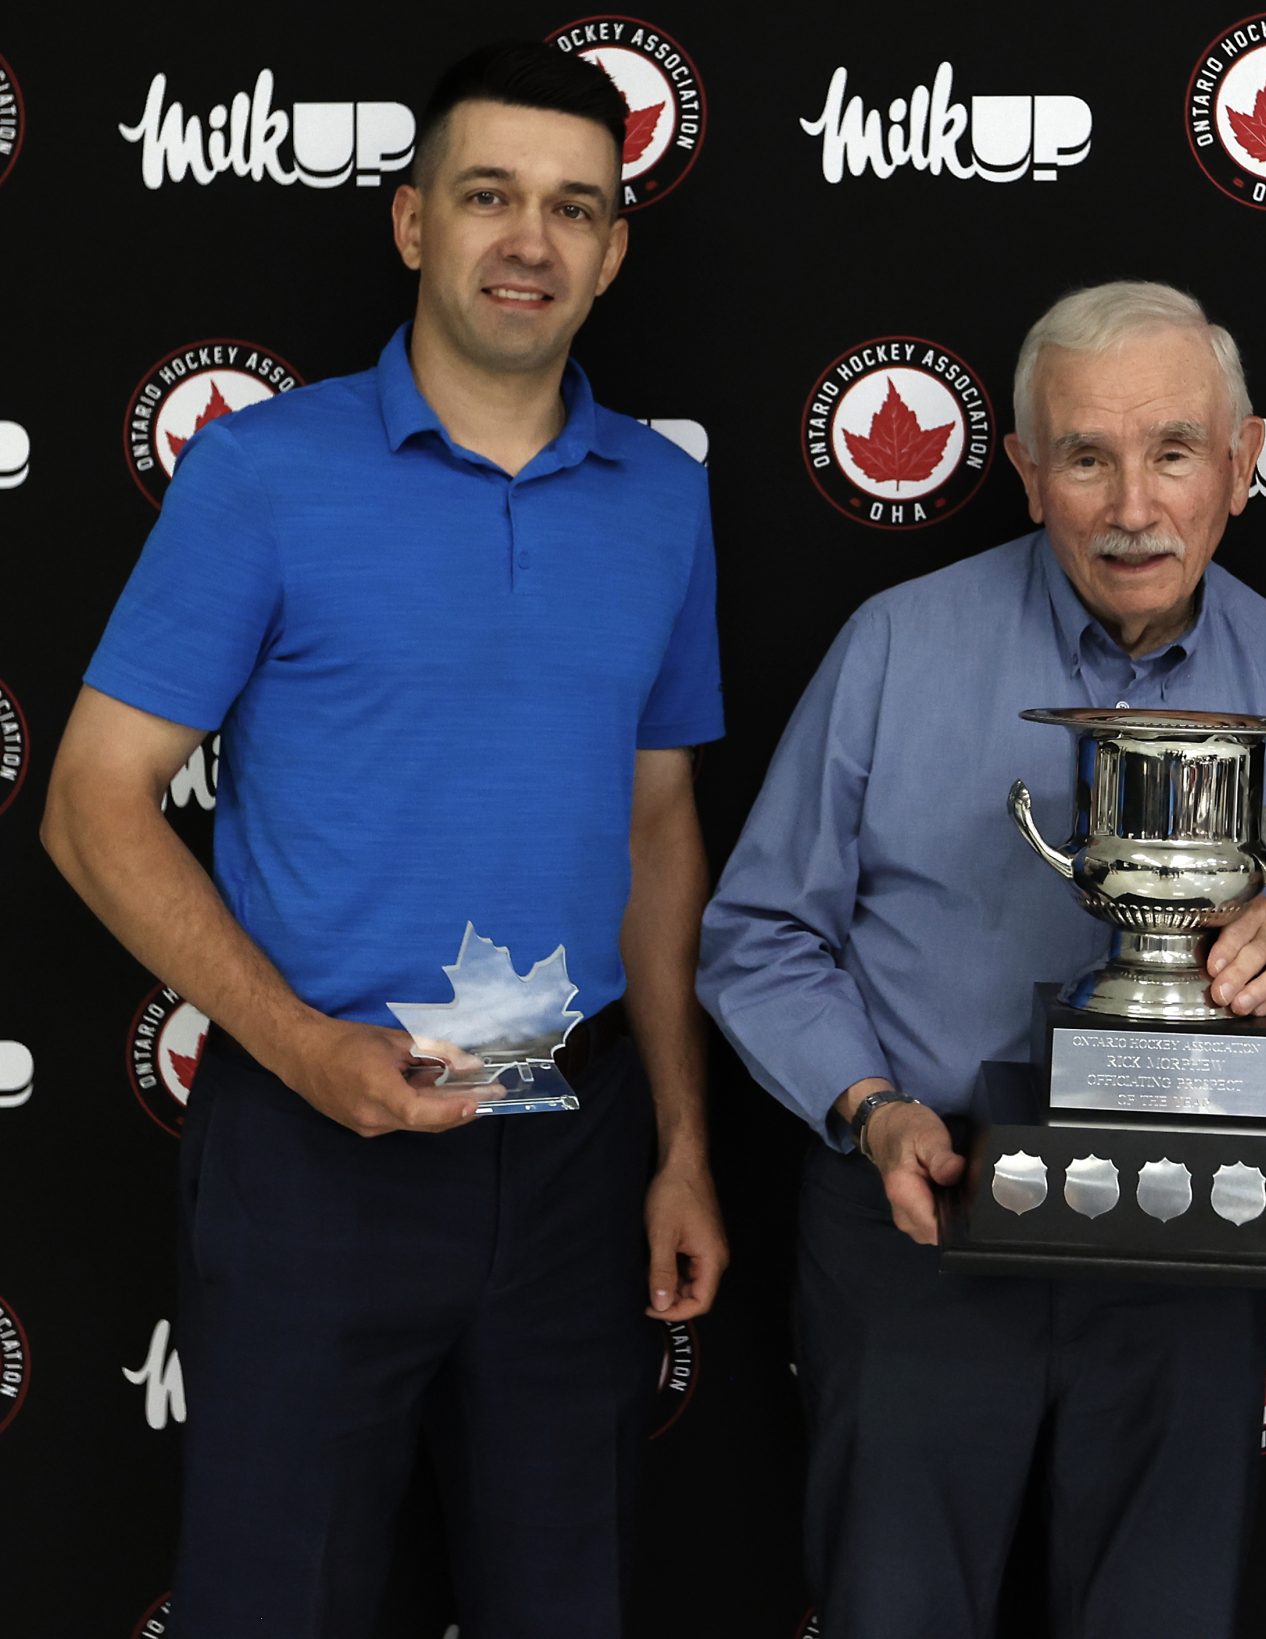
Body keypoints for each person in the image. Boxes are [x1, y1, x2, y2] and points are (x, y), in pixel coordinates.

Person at [40, 42, 727, 1638]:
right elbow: (90, 804)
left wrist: (682, 1142)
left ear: (616, 249)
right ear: (414, 222)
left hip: (571, 1147)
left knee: (571, 1602)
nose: (530, 241)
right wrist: (295, 1048)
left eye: (575, 208)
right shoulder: (265, 475)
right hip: (315, 1148)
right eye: (490, 195)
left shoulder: (660, 498)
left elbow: (659, 817)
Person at [697, 280, 1266, 1638]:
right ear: (1029, 474)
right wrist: (872, 1113)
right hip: (923, 1211)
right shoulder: (897, 650)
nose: (1132, 505)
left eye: (1172, 451)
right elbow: (762, 936)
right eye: (1087, 455)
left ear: (1241, 463)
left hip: (1189, 1232)